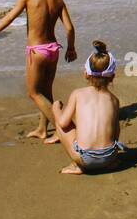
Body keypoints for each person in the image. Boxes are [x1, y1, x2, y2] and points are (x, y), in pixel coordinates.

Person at [0, 0, 78, 143]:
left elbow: (8, 18)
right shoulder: (58, 0)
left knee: (33, 93)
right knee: (45, 92)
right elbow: (70, 28)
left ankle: (62, 129)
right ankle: (41, 129)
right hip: (54, 50)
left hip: (37, 51)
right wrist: (71, 48)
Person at [52, 40, 125, 174]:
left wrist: (55, 108)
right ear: (112, 77)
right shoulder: (114, 100)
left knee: (61, 123)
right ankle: (108, 163)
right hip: (109, 156)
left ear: (86, 73)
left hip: (86, 158)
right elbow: (116, 132)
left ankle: (77, 165)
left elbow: (63, 123)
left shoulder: (78, 94)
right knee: (112, 127)